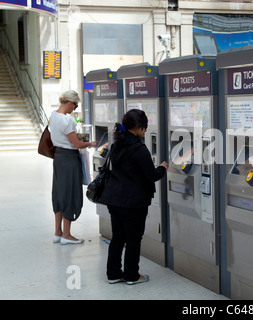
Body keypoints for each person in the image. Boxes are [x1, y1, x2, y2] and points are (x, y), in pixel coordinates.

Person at [99, 109, 168, 285]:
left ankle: (113, 274)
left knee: (117, 237)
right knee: (133, 239)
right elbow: (151, 175)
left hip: (114, 199)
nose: (145, 131)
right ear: (137, 127)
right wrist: (163, 168)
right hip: (133, 202)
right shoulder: (138, 149)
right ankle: (132, 275)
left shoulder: (116, 145)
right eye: (144, 127)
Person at [49, 90, 98, 245]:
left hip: (58, 158)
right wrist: (91, 143)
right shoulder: (67, 120)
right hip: (69, 160)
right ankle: (67, 235)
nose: (75, 109)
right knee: (69, 193)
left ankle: (58, 232)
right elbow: (77, 144)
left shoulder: (53, 115)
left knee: (58, 193)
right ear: (70, 103)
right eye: (75, 106)